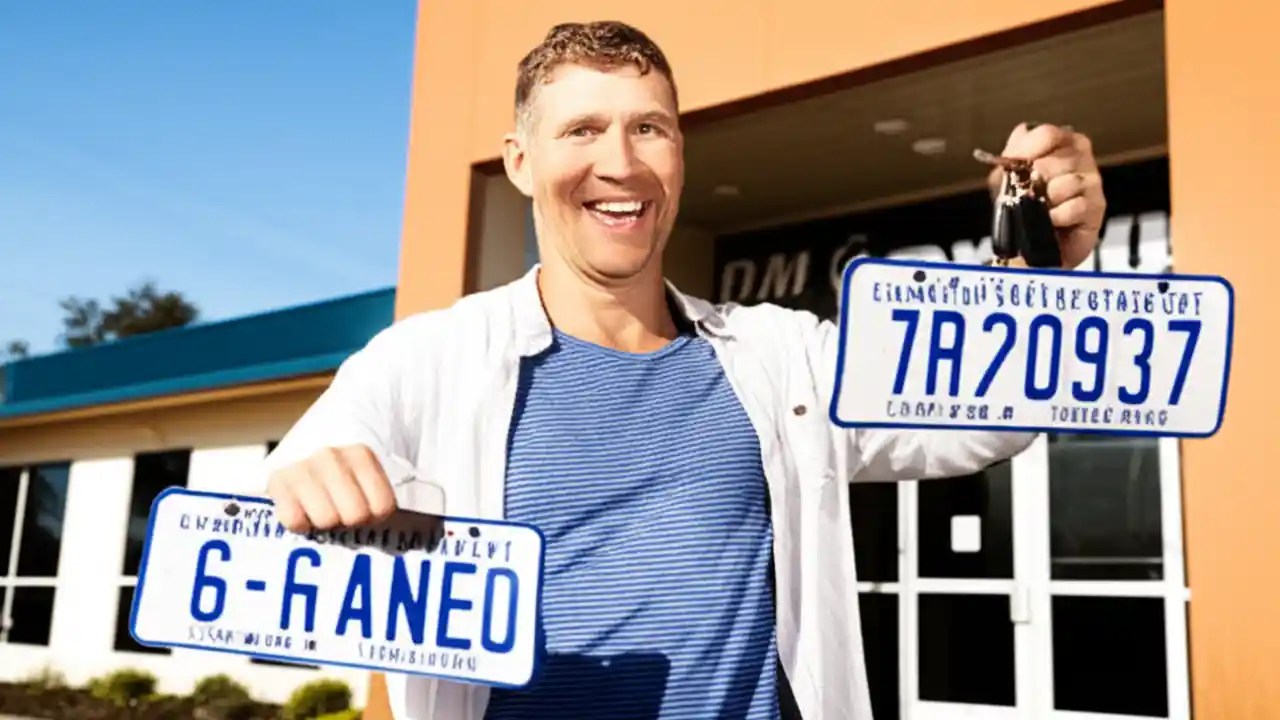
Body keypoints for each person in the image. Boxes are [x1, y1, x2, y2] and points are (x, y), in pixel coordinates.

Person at [263, 20, 1106, 720]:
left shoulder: (782, 354)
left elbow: (977, 418)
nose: (621, 162)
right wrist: (313, 485)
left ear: (679, 154)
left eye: (649, 127)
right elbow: (301, 474)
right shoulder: (425, 359)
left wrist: (1042, 277)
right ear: (520, 162)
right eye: (583, 129)